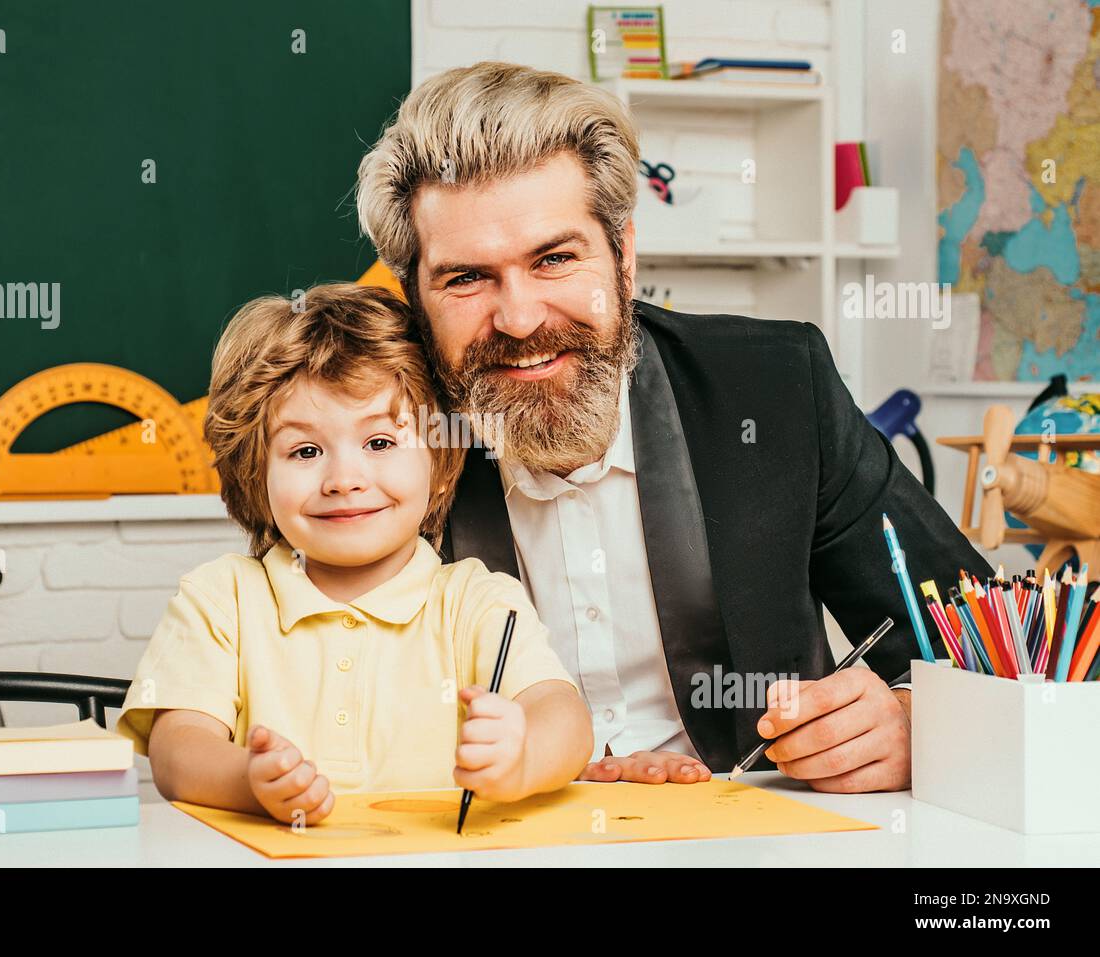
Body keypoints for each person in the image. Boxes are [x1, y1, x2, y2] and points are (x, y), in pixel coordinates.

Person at [354, 62, 993, 793]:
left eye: (556, 258)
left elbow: (1000, 641)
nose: (521, 319)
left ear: (623, 256)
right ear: (415, 295)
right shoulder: (373, 431)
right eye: (467, 278)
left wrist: (914, 720)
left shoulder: (778, 385)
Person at [116, 282, 594, 824]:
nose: (344, 479)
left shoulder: (475, 601)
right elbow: (176, 750)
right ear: (256, 473)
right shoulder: (221, 599)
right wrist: (250, 781)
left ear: (438, 466)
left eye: (380, 443)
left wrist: (523, 757)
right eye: (306, 450)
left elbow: (565, 718)